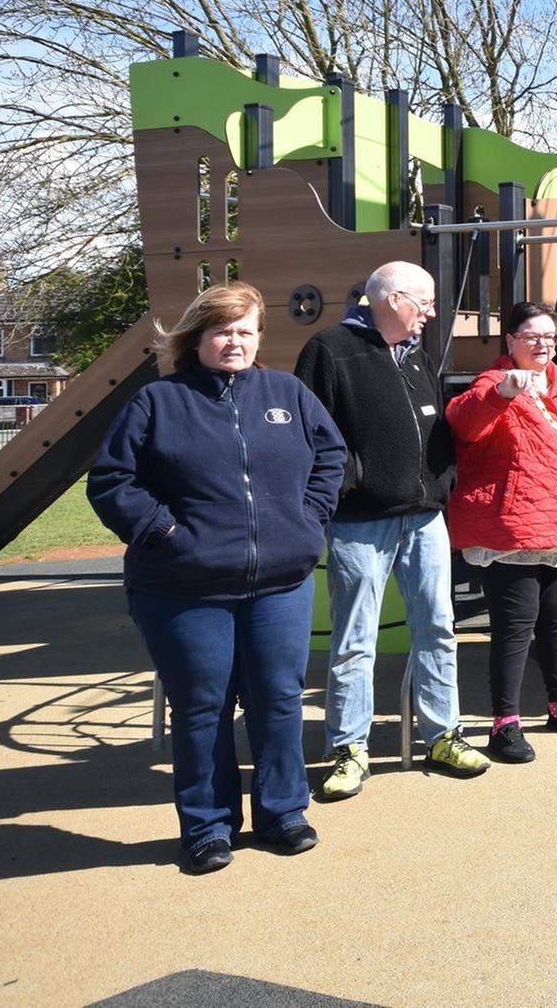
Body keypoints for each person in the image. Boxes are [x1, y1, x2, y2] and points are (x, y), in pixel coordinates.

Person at [89, 283, 345, 874]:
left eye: (246, 331)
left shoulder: (288, 394)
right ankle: (207, 827)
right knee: (202, 706)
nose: (235, 341)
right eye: (223, 330)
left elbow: (331, 456)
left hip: (280, 583)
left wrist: (308, 518)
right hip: (183, 588)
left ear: (259, 337)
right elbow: (111, 480)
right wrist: (164, 533)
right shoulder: (158, 402)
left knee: (278, 699)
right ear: (197, 336)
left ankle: (283, 813)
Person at [295, 260, 490, 798]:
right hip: (360, 522)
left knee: (439, 629)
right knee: (355, 639)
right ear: (394, 299)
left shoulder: (415, 353)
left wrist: (443, 482)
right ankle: (348, 748)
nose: (431, 313)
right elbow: (310, 433)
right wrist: (350, 482)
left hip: (424, 517)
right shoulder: (329, 348)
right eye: (424, 303)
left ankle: (443, 735)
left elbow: (433, 426)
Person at [446, 302, 557, 764]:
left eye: (550, 337)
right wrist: (500, 393)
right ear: (511, 341)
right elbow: (463, 423)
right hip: (513, 530)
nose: (543, 344)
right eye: (532, 336)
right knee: (515, 627)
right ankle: (505, 723)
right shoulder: (492, 382)